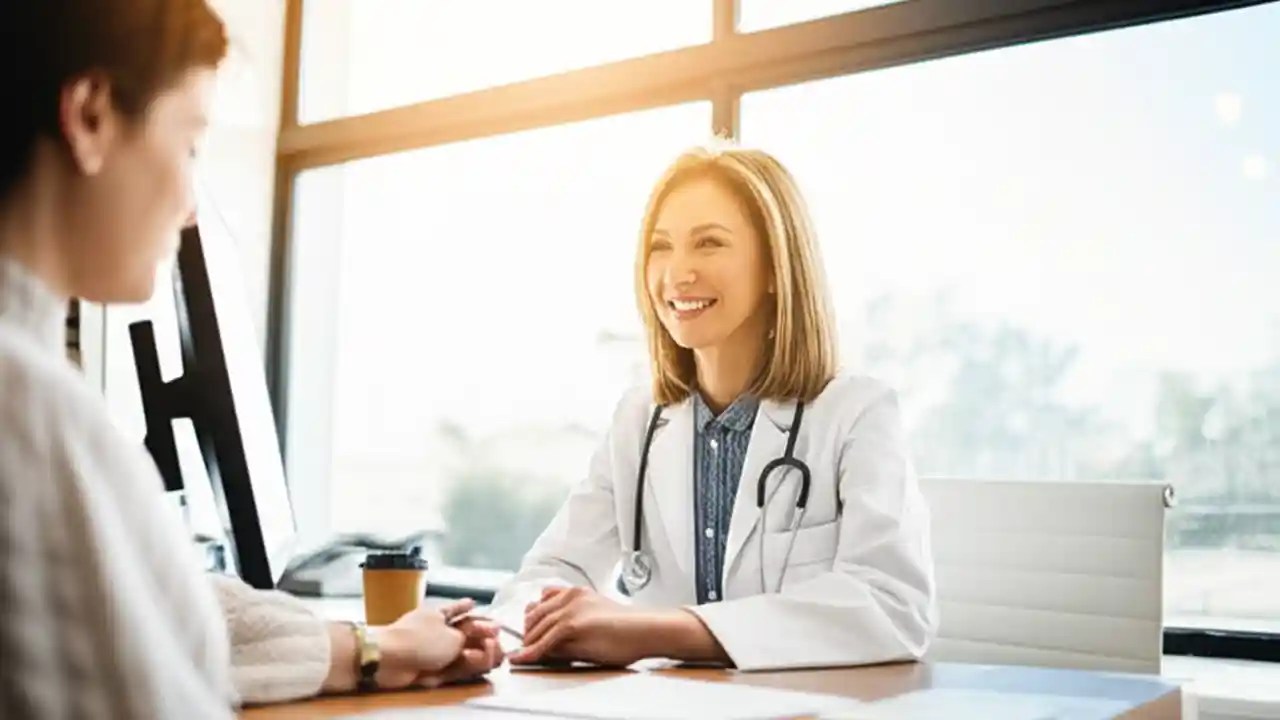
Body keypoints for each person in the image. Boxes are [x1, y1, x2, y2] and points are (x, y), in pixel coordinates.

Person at [0, 2, 499, 718]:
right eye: (191, 142)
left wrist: (374, 650)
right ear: (91, 117)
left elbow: (159, 606)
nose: (190, 203)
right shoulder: (37, 423)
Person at [490, 145, 938, 671]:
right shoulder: (639, 420)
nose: (677, 274)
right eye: (661, 247)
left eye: (708, 243)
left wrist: (654, 630)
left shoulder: (856, 412)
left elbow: (891, 607)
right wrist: (490, 635)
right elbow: (554, 572)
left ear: (776, 265)